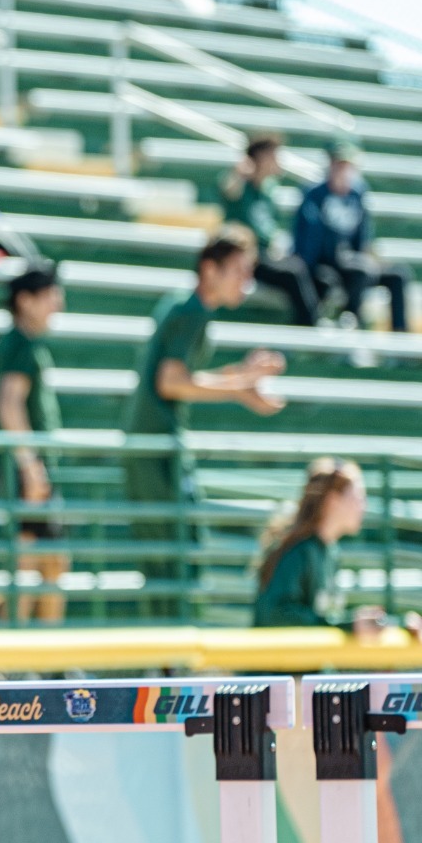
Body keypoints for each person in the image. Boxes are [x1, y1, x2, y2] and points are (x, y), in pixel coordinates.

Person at [122, 227, 287, 615]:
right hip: (156, 449)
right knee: (175, 557)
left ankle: (167, 658)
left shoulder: (186, 307)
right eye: (238, 271)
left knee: (171, 557)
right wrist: (240, 386)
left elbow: (182, 379)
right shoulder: (191, 309)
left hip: (153, 445)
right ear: (210, 270)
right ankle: (169, 661)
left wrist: (240, 380)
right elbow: (171, 382)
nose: (246, 283)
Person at [0, 265, 69, 622]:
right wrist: (30, 467)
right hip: (28, 471)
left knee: (47, 563)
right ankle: (31, 662)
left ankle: (41, 661)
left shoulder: (21, 344)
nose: (58, 304)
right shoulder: (21, 345)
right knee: (35, 565)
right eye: (50, 294)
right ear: (25, 301)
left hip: (26, 469)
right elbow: (7, 404)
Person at [253, 457, 422, 637]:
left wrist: (396, 625)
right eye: (358, 497)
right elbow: (276, 616)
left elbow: (327, 618)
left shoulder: (328, 551)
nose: (363, 507)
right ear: (333, 500)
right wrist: (347, 626)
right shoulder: (297, 551)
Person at [294, 143, 412, 333]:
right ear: (331, 166)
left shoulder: (357, 195)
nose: (344, 171)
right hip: (324, 265)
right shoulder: (314, 196)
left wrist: (369, 257)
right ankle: (350, 321)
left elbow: (362, 240)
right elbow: (310, 245)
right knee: (360, 271)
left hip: (353, 264)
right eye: (339, 165)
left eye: (347, 166)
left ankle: (401, 339)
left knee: (397, 275)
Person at [218, 134, 319, 327]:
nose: (277, 160)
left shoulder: (268, 190)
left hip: (267, 255)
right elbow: (227, 190)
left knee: (310, 270)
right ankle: (309, 327)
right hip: (246, 258)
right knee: (294, 273)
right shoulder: (241, 185)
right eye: (273, 155)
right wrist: (239, 172)